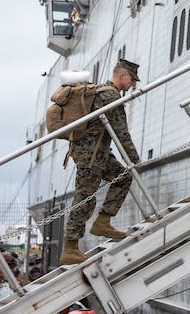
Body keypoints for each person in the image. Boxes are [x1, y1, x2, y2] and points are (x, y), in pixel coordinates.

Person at [59, 59, 142, 265]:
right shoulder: (109, 95)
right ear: (122, 76)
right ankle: (70, 249)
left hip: (99, 153)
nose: (133, 84)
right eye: (132, 79)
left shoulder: (102, 91)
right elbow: (121, 131)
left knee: (122, 177)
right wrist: (134, 157)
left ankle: (103, 221)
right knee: (85, 198)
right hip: (91, 155)